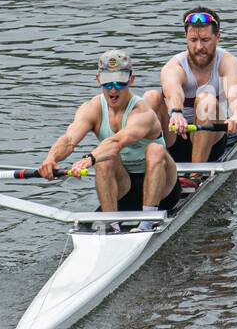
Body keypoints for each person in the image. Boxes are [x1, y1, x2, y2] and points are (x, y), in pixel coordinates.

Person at [37, 48, 180, 231]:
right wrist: (51, 159)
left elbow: (117, 142)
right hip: (124, 188)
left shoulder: (142, 112)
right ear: (98, 80)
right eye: (107, 83)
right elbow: (69, 139)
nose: (113, 90)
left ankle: (146, 224)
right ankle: (112, 227)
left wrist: (90, 159)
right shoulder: (92, 107)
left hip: (163, 191)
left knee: (155, 150)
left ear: (131, 80)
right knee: (104, 160)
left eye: (120, 83)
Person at [143, 7, 237, 166]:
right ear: (186, 38)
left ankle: (196, 174)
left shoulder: (227, 61)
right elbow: (173, 91)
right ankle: (150, 167)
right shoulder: (174, 66)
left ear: (217, 37)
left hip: (211, 140)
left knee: (206, 100)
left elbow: (234, 88)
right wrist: (176, 112)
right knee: (150, 97)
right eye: (193, 40)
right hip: (176, 138)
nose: (199, 47)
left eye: (205, 40)